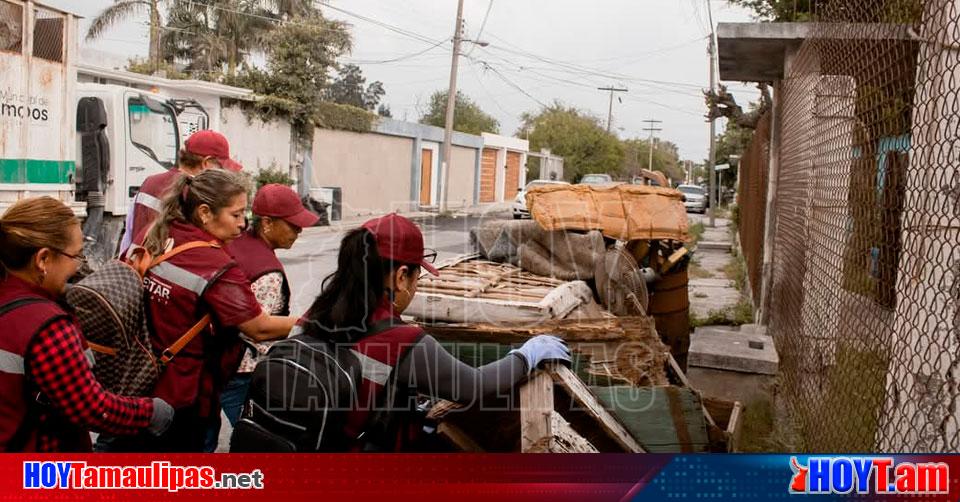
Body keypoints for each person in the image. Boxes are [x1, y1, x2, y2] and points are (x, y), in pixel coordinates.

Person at [298, 213, 571, 451]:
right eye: (418, 277)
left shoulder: (316, 314)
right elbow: (473, 387)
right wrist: (526, 355)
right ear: (401, 277)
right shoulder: (403, 341)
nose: (415, 287)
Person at [111, 169, 297, 452]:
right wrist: (310, 322)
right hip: (182, 394)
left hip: (136, 377)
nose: (242, 223)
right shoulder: (214, 264)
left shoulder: (160, 232)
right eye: (235, 215)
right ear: (205, 212)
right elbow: (258, 328)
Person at [0, 197, 173, 452]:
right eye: (76, 255)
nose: (78, 265)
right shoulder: (47, 326)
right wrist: (151, 412)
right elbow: (90, 408)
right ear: (43, 260)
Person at [205, 184, 318, 452]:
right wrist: (310, 323)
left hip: (212, 361)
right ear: (267, 223)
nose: (298, 232)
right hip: (241, 370)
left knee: (204, 438)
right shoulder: (267, 271)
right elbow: (259, 330)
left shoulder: (234, 241)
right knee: (258, 440)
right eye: (293, 225)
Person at [120, 130, 243, 253]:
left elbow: (128, 236)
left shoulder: (148, 182)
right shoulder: (198, 195)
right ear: (207, 163)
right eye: (221, 168)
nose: (224, 174)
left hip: (138, 263)